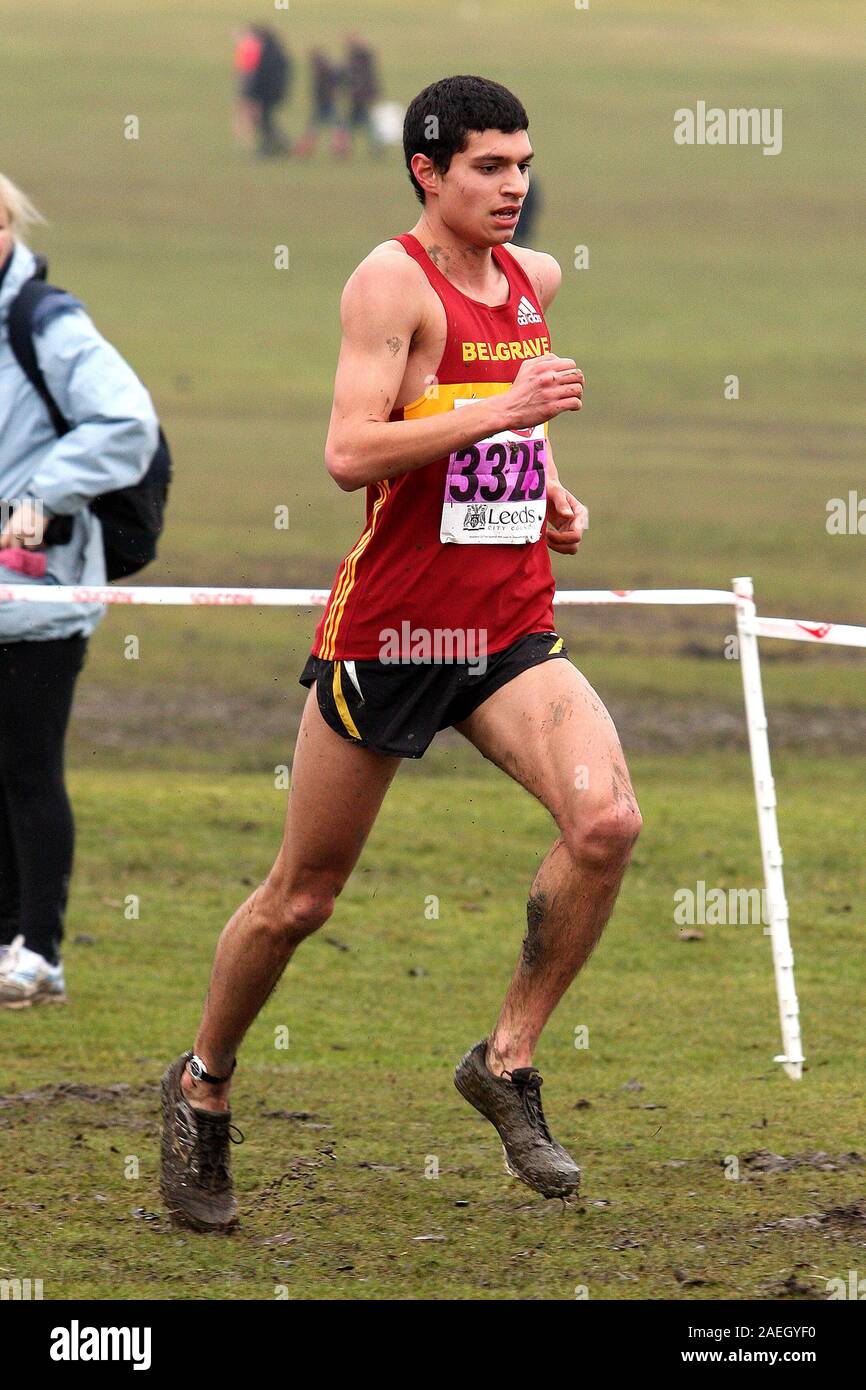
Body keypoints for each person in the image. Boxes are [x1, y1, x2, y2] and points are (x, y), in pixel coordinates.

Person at [160, 74, 641, 1231]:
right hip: (393, 629)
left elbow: (500, 440)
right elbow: (349, 451)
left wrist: (549, 491)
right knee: (302, 898)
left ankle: (506, 1059)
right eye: (487, 166)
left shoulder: (535, 280)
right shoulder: (390, 281)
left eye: (522, 163)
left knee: (607, 822)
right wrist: (503, 414)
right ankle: (201, 1086)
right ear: (427, 171)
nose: (513, 186)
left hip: (507, 624)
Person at [0, 174, 158, 1007]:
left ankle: (41, 953)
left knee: (28, 769)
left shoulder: (45, 322)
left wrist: (36, 497)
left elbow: (126, 423)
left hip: (39, 592)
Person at [232, 24, 292, 158]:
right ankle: (279, 143)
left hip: (267, 93)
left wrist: (251, 93)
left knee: (262, 119)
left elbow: (260, 75)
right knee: (264, 119)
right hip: (275, 92)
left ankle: (273, 145)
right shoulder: (277, 51)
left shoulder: (266, 53)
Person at [293, 50, 347, 159]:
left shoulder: (321, 71)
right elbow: (340, 77)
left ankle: (305, 150)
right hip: (327, 102)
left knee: (315, 127)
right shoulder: (328, 69)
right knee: (336, 126)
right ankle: (339, 149)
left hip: (324, 103)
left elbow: (322, 88)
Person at [344, 33, 381, 157]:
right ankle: (375, 148)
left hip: (359, 98)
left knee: (362, 125)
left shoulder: (358, 60)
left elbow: (363, 79)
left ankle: (346, 149)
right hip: (359, 97)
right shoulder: (361, 59)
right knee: (363, 125)